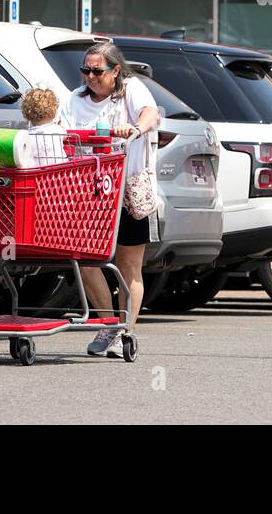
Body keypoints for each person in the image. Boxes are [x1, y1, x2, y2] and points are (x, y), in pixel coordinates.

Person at [57, 40, 160, 359]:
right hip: (89, 190)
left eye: (97, 71)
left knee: (128, 264)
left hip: (127, 188)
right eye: (85, 70)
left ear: (115, 70)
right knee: (87, 261)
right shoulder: (75, 99)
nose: (89, 76)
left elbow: (150, 113)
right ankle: (109, 326)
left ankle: (127, 329)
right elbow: (61, 128)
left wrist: (135, 129)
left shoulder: (131, 89)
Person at [20, 87, 68, 165]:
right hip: (59, 172)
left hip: (36, 173)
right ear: (53, 112)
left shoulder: (27, 135)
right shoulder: (56, 129)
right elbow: (65, 135)